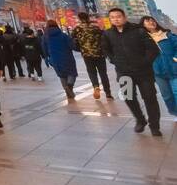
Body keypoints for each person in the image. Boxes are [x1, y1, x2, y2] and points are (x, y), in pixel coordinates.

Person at [104, 8, 163, 137]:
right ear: (110, 19)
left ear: (124, 17)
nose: (116, 19)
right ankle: (140, 120)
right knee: (129, 97)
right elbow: (106, 50)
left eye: (118, 16)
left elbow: (153, 50)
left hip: (144, 73)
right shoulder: (108, 34)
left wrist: (145, 62)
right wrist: (115, 61)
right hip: (124, 72)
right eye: (112, 17)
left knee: (150, 98)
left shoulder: (139, 31)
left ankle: (154, 126)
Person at [72, 12, 112, 100]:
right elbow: (104, 38)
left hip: (87, 54)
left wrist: (81, 48)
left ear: (79, 18)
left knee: (92, 72)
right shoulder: (96, 27)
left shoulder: (77, 29)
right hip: (99, 54)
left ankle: (96, 86)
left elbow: (73, 40)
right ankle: (108, 93)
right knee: (103, 73)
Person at [143, 16, 177, 119]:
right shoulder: (144, 39)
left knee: (176, 92)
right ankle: (174, 112)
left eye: (153, 20)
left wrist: (175, 58)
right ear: (143, 25)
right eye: (148, 21)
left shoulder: (168, 34)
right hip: (157, 72)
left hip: (174, 69)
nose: (151, 22)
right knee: (166, 96)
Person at [43, 20, 77, 104]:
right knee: (72, 73)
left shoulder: (45, 37)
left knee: (62, 75)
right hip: (67, 57)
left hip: (54, 59)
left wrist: (48, 58)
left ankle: (67, 89)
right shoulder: (63, 35)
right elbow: (72, 45)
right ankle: (69, 86)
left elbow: (44, 49)